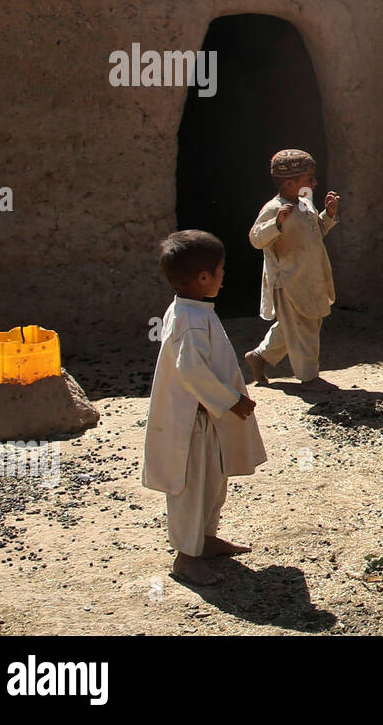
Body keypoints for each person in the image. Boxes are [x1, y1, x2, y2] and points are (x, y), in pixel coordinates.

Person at [143, 230, 267, 586]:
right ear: (202, 278)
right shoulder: (189, 319)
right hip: (191, 424)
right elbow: (191, 370)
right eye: (220, 270)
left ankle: (205, 539)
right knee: (191, 487)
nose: (224, 275)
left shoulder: (194, 310)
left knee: (214, 482)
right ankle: (186, 556)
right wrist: (230, 400)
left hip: (207, 421)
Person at [244, 150, 340, 390]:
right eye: (309, 179)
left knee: (298, 325)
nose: (314, 183)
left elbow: (316, 231)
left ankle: (259, 356)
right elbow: (256, 238)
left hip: (311, 278)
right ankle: (309, 378)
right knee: (303, 328)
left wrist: (328, 215)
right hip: (288, 280)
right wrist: (276, 224)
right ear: (289, 183)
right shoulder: (274, 209)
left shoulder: (305, 205)